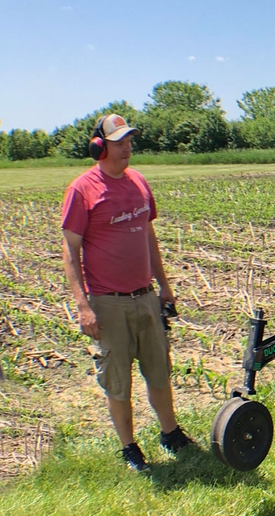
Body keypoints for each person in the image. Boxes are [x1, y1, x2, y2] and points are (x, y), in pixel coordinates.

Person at [61, 113, 193, 473]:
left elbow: (149, 238)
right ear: (99, 147)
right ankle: (130, 448)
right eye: (120, 142)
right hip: (108, 303)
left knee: (159, 371)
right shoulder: (82, 189)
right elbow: (70, 251)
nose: (128, 147)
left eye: (130, 140)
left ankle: (170, 433)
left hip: (145, 297)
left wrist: (163, 286)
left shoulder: (138, 182)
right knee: (118, 380)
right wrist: (83, 305)